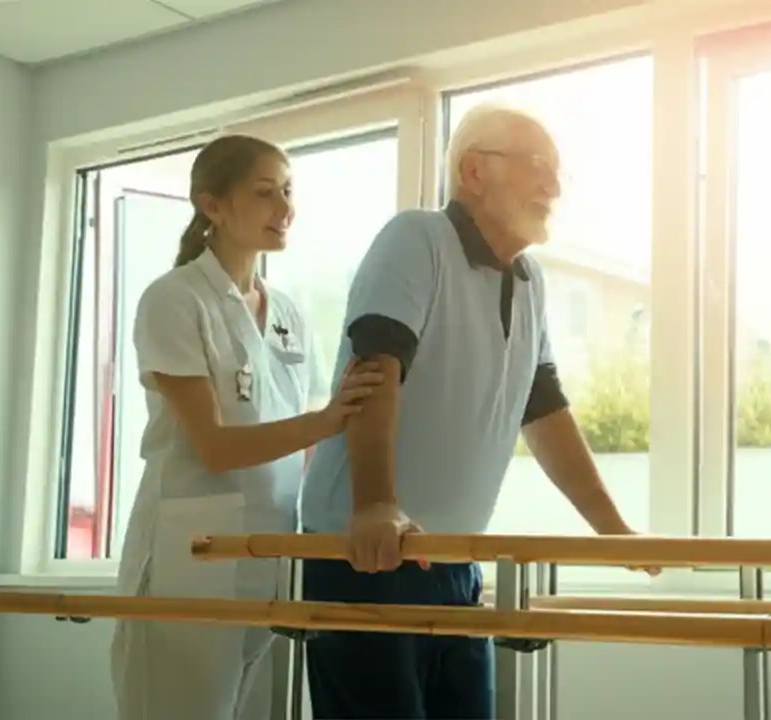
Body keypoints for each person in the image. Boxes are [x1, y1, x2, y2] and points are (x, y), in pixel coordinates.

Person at [298, 103, 650, 719]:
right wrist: (376, 503)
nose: (554, 186)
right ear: (474, 170)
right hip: (365, 555)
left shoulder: (531, 279)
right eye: (538, 165)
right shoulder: (417, 238)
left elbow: (543, 412)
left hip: (454, 561)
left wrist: (613, 530)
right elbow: (376, 367)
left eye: (559, 172)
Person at [108, 134, 384, 720]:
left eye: (288, 191)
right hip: (191, 553)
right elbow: (213, 446)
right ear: (212, 205)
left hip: (271, 556)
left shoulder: (286, 313)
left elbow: (299, 452)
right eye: (264, 193)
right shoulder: (175, 299)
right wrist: (326, 420)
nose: (285, 208)